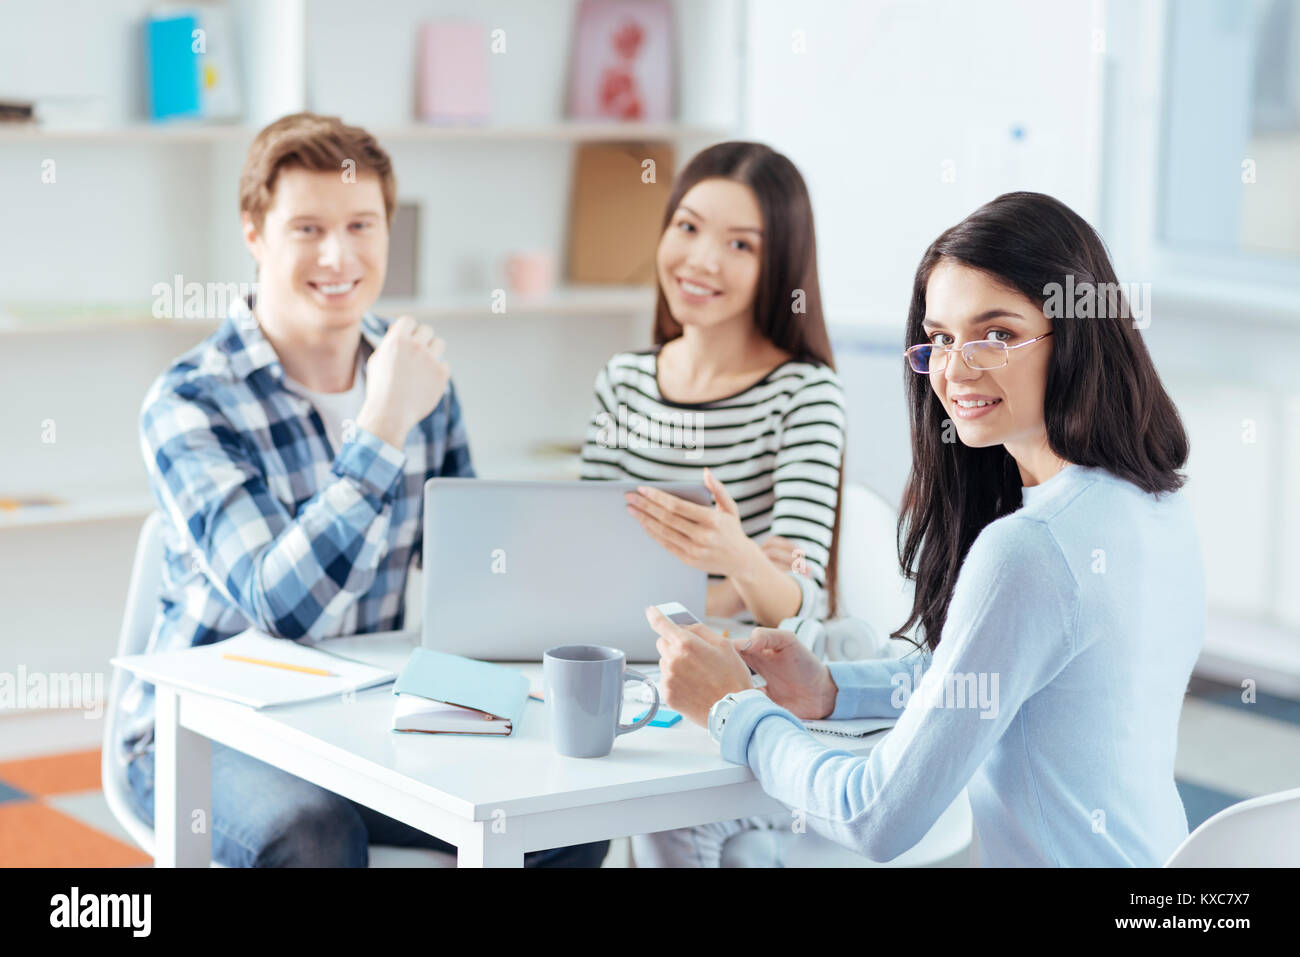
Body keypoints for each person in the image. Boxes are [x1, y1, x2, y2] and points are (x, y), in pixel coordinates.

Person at [644, 191, 1205, 867]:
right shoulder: (1157, 502)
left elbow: (872, 815)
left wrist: (731, 708)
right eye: (940, 337)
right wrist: (832, 688)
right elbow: (982, 672)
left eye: (995, 334)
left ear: (1078, 335)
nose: (955, 368)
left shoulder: (1031, 550)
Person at [119, 112, 607, 868]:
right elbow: (278, 605)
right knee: (313, 835)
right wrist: (380, 425)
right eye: (307, 227)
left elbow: (471, 578)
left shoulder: (422, 384)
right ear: (255, 232)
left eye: (361, 223)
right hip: (203, 731)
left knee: (564, 821)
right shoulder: (190, 401)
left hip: (358, 721)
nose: (338, 254)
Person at [580, 141, 846, 866]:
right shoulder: (624, 380)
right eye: (688, 227)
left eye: (739, 244)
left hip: (739, 696)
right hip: (621, 673)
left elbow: (797, 606)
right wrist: (725, 586)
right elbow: (580, 555)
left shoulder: (804, 394)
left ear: (778, 266)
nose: (701, 260)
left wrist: (735, 559)